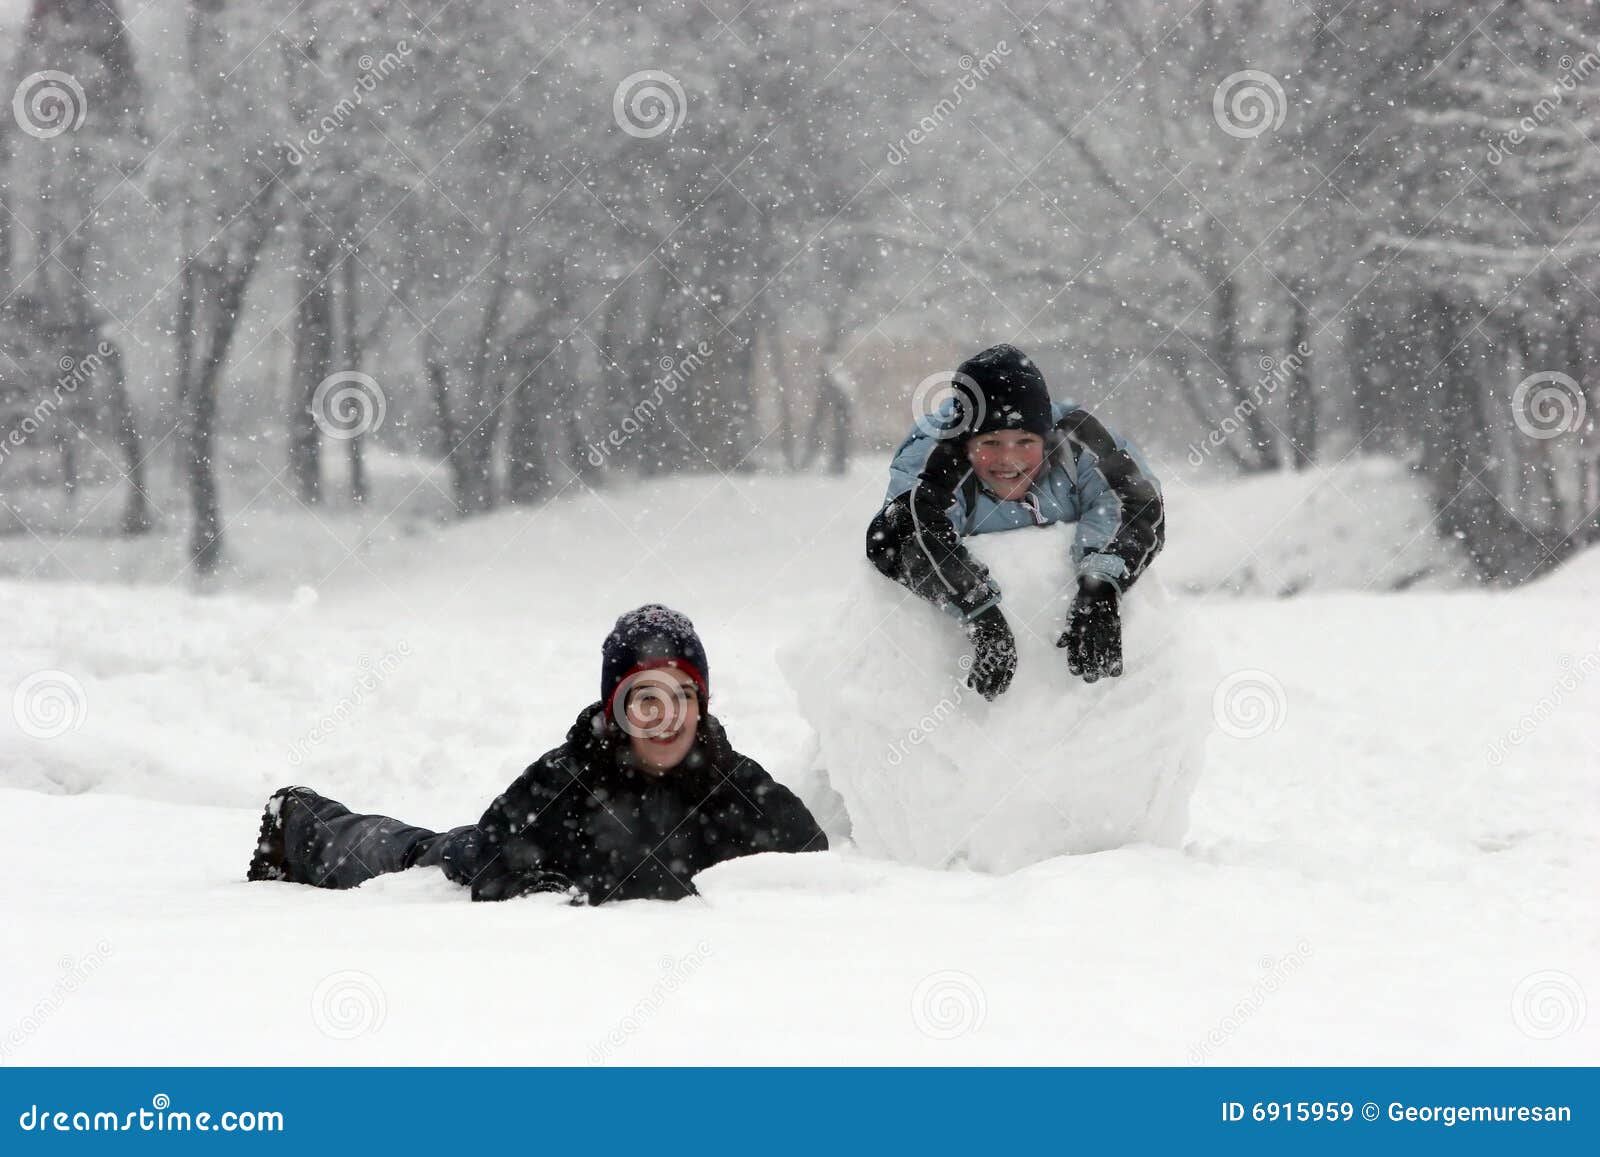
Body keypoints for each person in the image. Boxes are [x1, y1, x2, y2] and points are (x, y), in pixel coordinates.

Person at [246, 605, 826, 904]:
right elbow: (496, 865)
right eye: (644, 699)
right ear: (616, 710)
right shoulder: (570, 777)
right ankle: (299, 818)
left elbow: (817, 866)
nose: (666, 717)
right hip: (474, 854)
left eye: (683, 696)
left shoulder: (739, 788)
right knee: (410, 856)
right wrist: (555, 886)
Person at [866, 343, 1165, 699]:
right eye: (991, 442)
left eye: (1025, 441)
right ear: (966, 442)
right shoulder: (935, 454)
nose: (1009, 459)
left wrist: (1101, 585)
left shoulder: (1078, 439)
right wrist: (980, 613)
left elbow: (1135, 502)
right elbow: (900, 533)